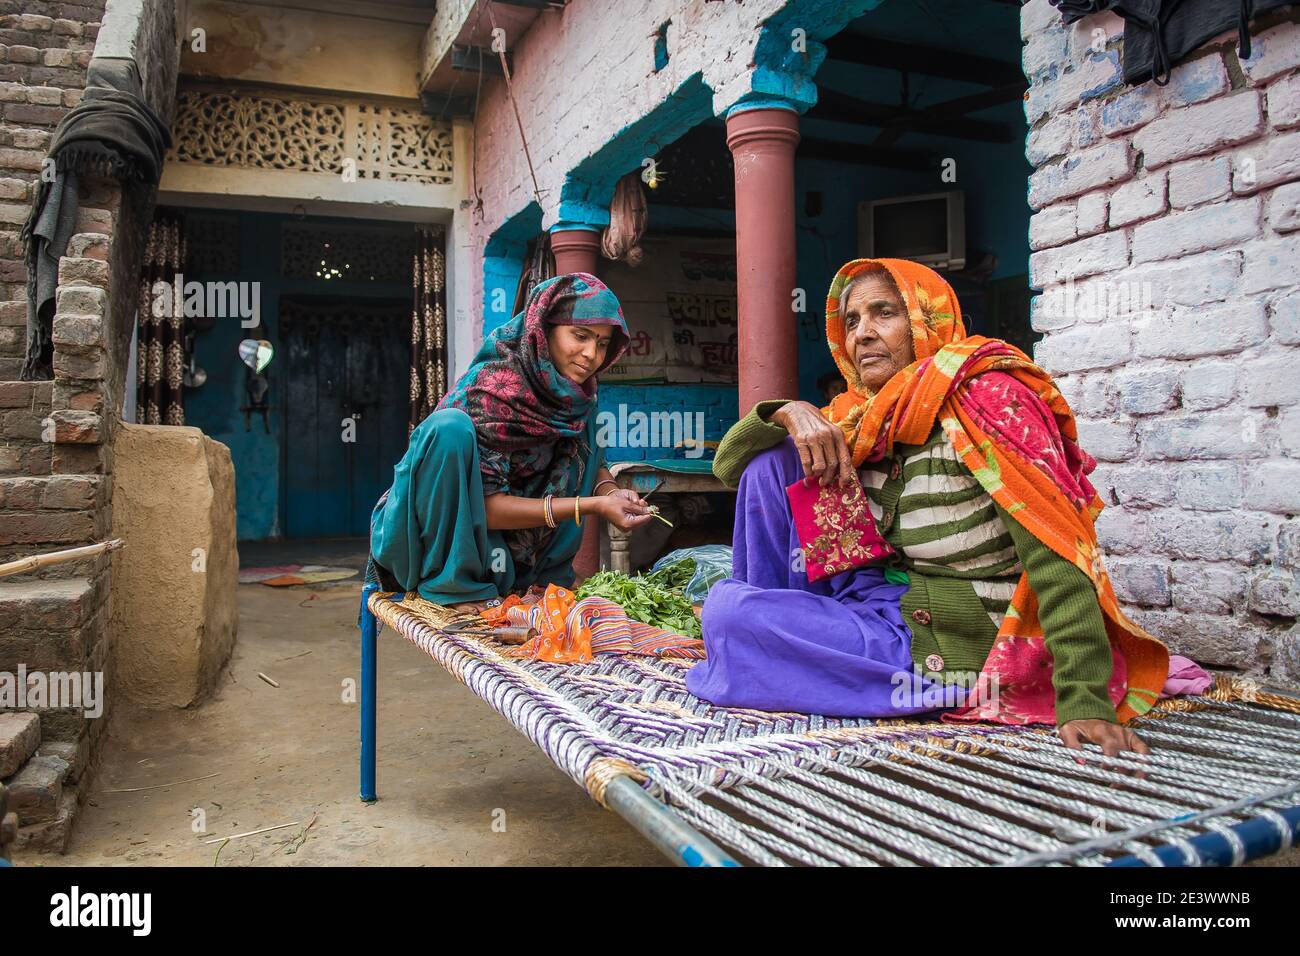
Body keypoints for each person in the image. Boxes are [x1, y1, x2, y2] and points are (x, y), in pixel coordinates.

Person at [688, 258, 1170, 757]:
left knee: (728, 613)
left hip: (954, 634)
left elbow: (1058, 551)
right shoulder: (862, 413)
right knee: (774, 461)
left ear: (927, 318)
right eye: (851, 322)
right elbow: (731, 465)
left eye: (884, 313)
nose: (863, 335)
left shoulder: (989, 401)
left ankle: (774, 648)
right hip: (880, 601)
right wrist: (791, 411)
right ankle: (779, 640)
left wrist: (1084, 699)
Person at [368, 273, 653, 604]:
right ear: (543, 332)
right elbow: (485, 508)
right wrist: (594, 506)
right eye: (580, 336)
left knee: (587, 420)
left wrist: (613, 492)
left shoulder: (576, 396)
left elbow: (593, 462)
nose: (591, 354)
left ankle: (545, 579)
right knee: (448, 429)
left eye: (602, 343)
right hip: (431, 544)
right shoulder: (490, 390)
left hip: (503, 553)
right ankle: (453, 585)